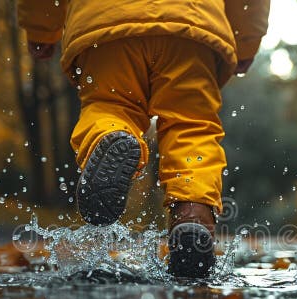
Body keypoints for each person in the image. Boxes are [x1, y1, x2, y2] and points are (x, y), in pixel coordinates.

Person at [17, 0, 270, 278]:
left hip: (106, 19)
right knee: (191, 126)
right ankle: (193, 213)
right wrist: (246, 41)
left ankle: (110, 136)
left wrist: (40, 27)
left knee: (109, 106)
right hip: (192, 22)